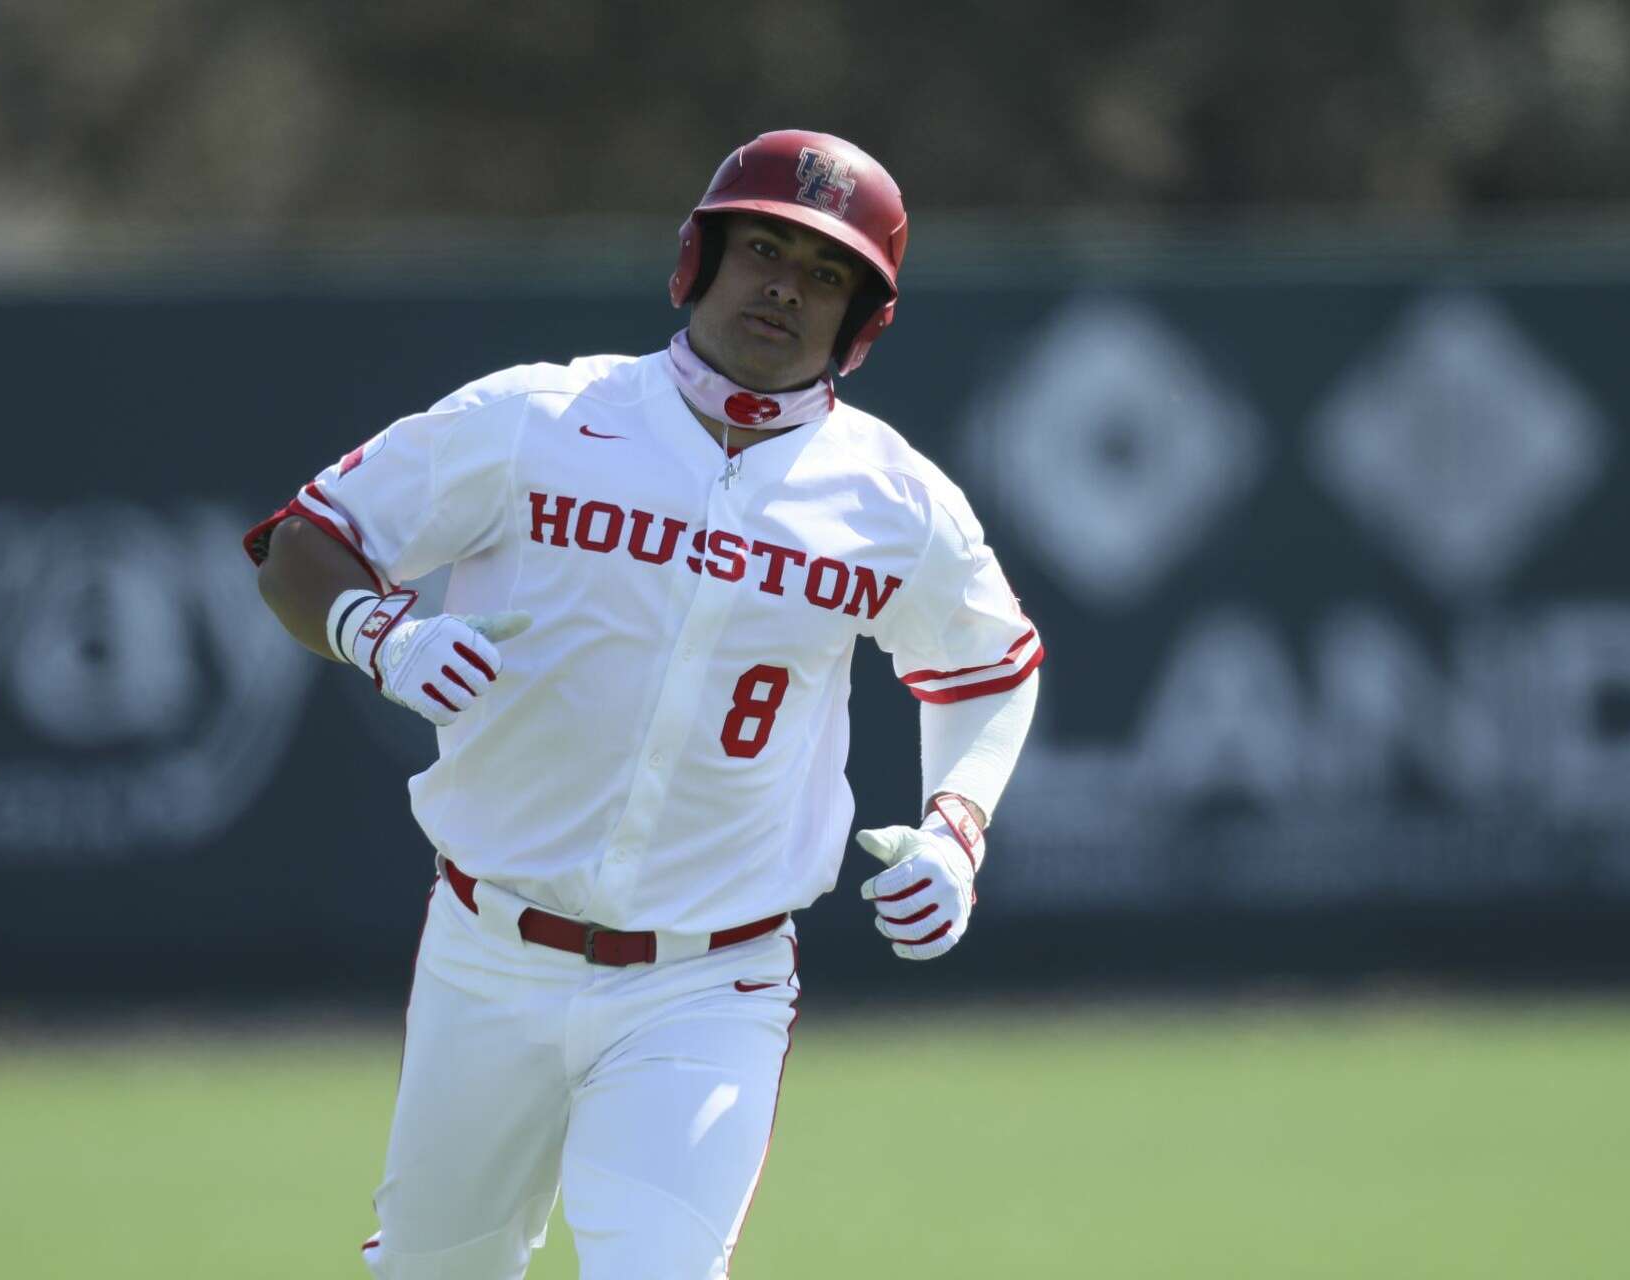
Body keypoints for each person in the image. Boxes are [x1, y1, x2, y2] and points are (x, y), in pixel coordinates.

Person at [244, 129, 1042, 1279]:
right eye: (764, 246)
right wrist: (380, 631)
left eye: (825, 271)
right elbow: (304, 544)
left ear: (862, 318)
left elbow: (987, 664)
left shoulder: (894, 499)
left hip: (710, 977)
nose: (783, 285)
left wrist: (958, 829)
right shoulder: (540, 417)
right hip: (489, 946)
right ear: (700, 258)